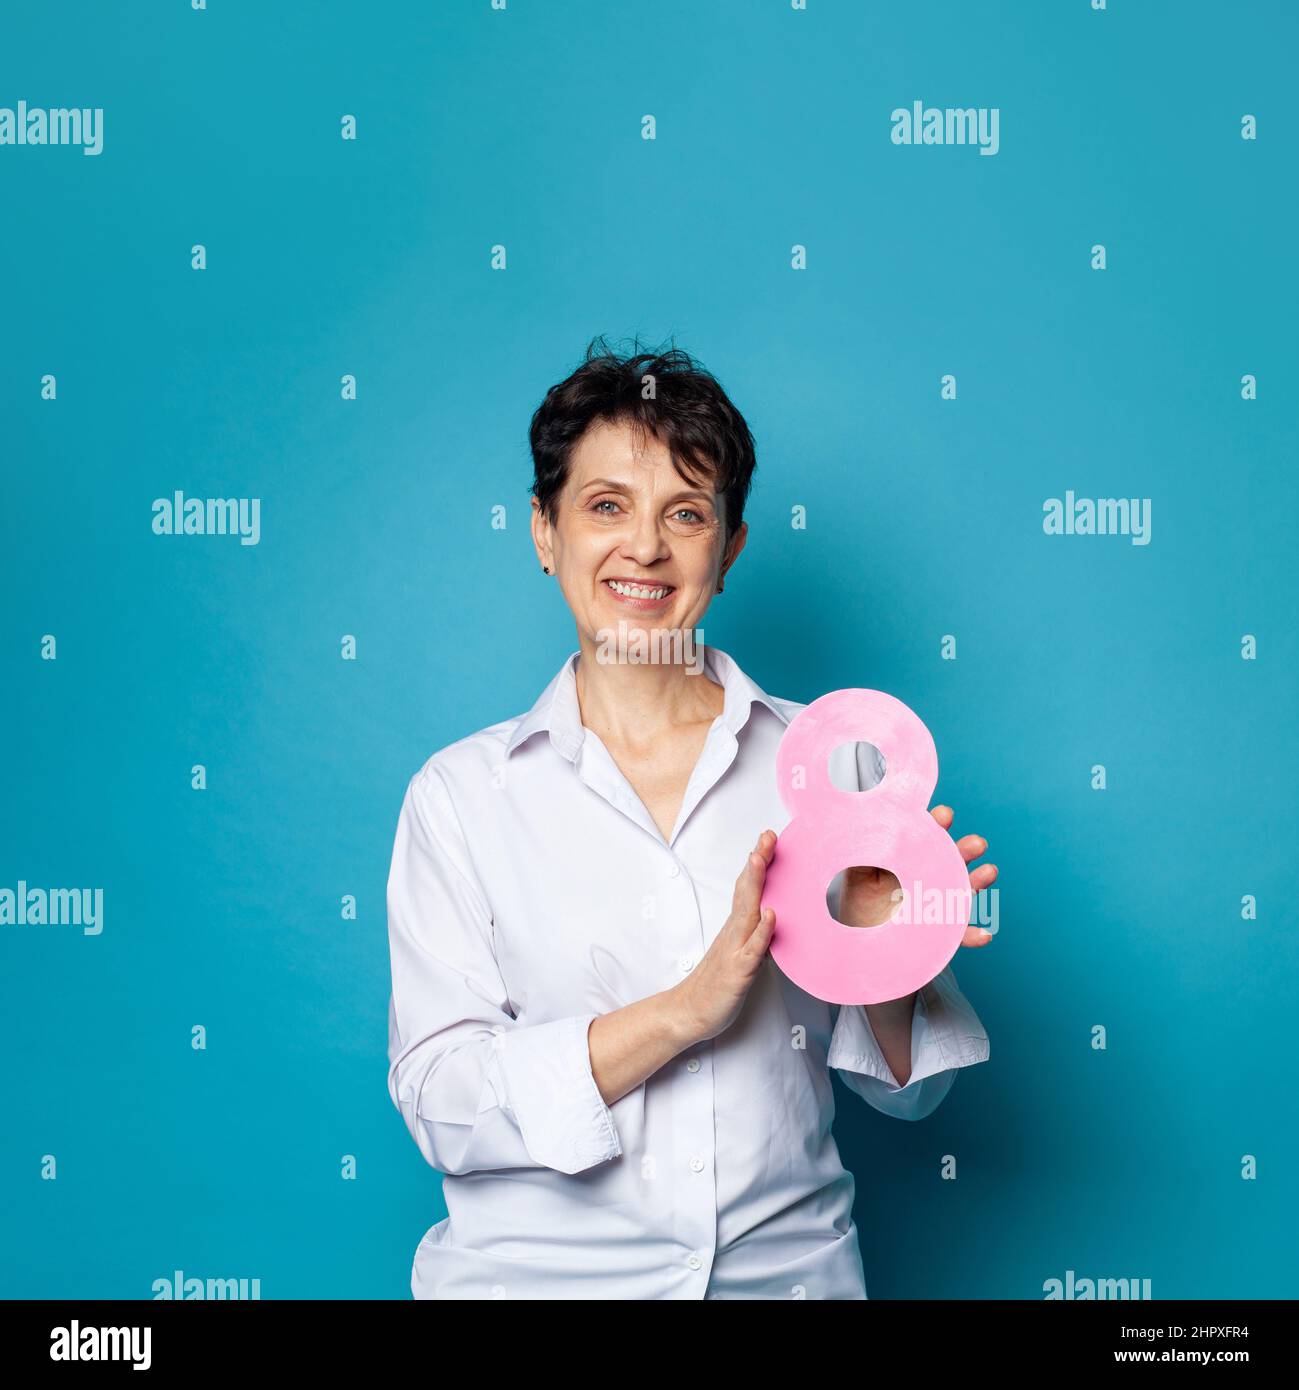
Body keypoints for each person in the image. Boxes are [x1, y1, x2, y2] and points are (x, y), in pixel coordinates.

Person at [385, 339, 996, 1300]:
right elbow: (441, 1102)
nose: (645, 547)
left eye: (685, 512)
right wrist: (680, 1013)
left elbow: (914, 1099)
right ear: (543, 533)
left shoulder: (838, 767)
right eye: (604, 508)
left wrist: (890, 963)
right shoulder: (459, 797)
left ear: (730, 546)